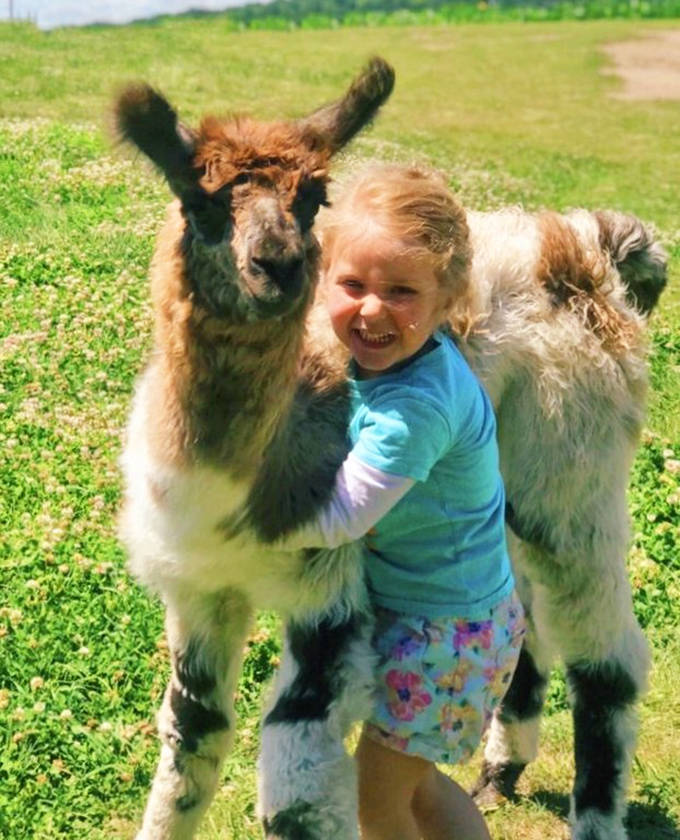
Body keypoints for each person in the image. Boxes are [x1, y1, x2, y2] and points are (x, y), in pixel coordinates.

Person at [282, 164, 525, 840]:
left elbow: (341, 518)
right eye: (353, 285)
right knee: (415, 787)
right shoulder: (390, 363)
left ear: (447, 297)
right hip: (453, 619)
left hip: (445, 637)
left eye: (401, 291)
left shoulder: (416, 406)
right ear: (324, 279)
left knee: (375, 801)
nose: (371, 309)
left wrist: (246, 526)